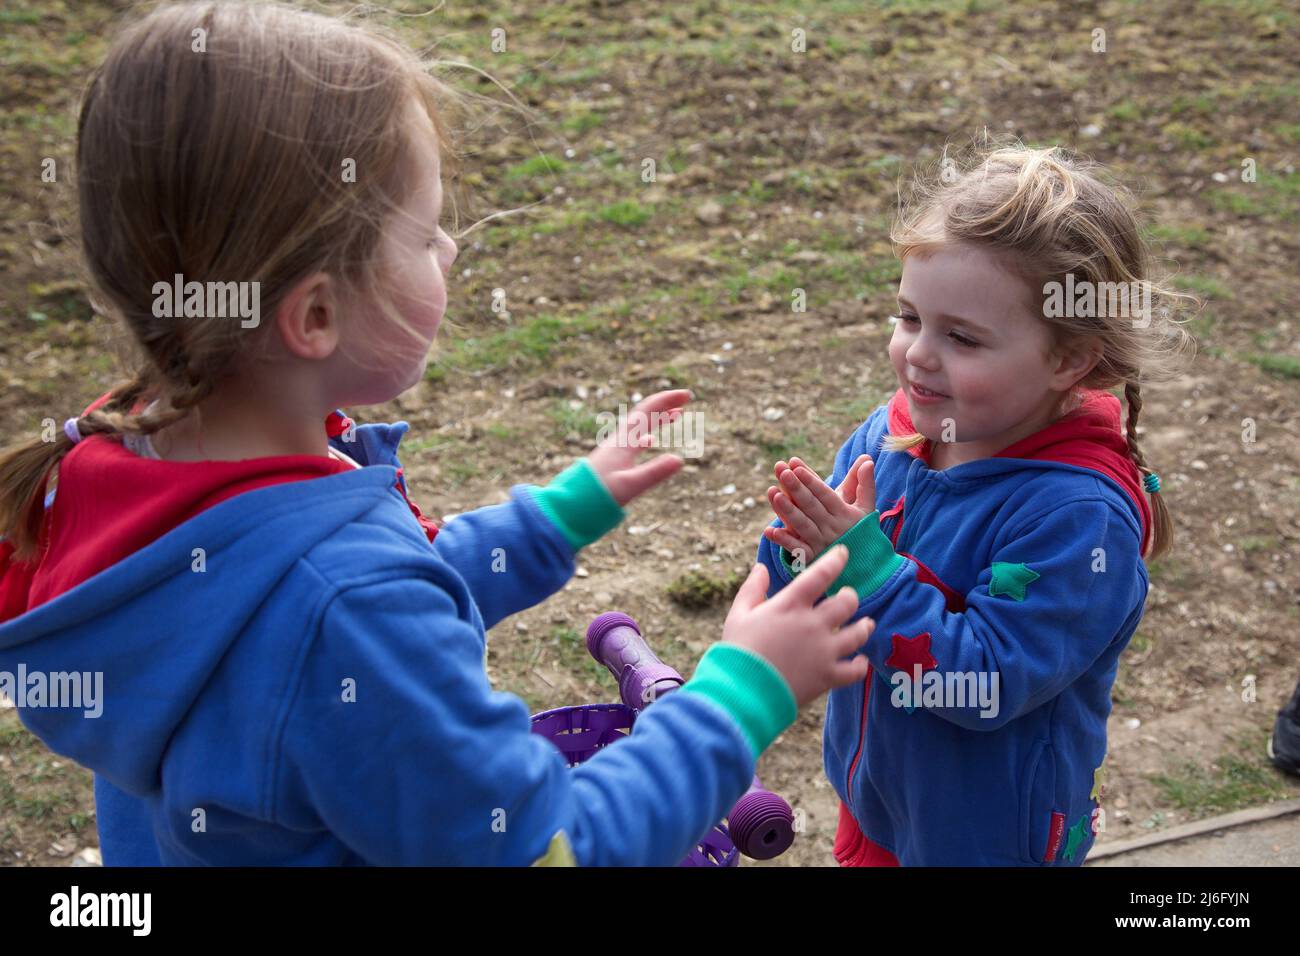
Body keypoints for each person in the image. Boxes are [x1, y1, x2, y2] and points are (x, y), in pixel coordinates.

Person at [0, 1, 875, 866]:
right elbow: (550, 849)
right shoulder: (339, 602)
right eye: (423, 235)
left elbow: (326, 612)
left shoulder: (123, 468)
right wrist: (740, 695)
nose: (451, 251)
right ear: (314, 314)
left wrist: (554, 518)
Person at [756, 144, 1195, 865]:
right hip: (878, 799)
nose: (918, 355)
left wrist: (865, 570)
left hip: (988, 836)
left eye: (961, 336)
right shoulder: (895, 433)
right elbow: (804, 589)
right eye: (908, 317)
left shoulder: (1078, 517)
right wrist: (797, 553)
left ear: (1068, 358)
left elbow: (985, 685)